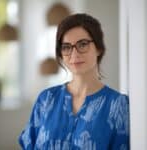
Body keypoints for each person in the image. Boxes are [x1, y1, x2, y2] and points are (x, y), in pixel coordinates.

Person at [19, 13, 130, 150]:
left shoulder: (119, 105)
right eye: (66, 47)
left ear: (99, 48)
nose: (74, 54)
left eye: (82, 44)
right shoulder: (46, 99)